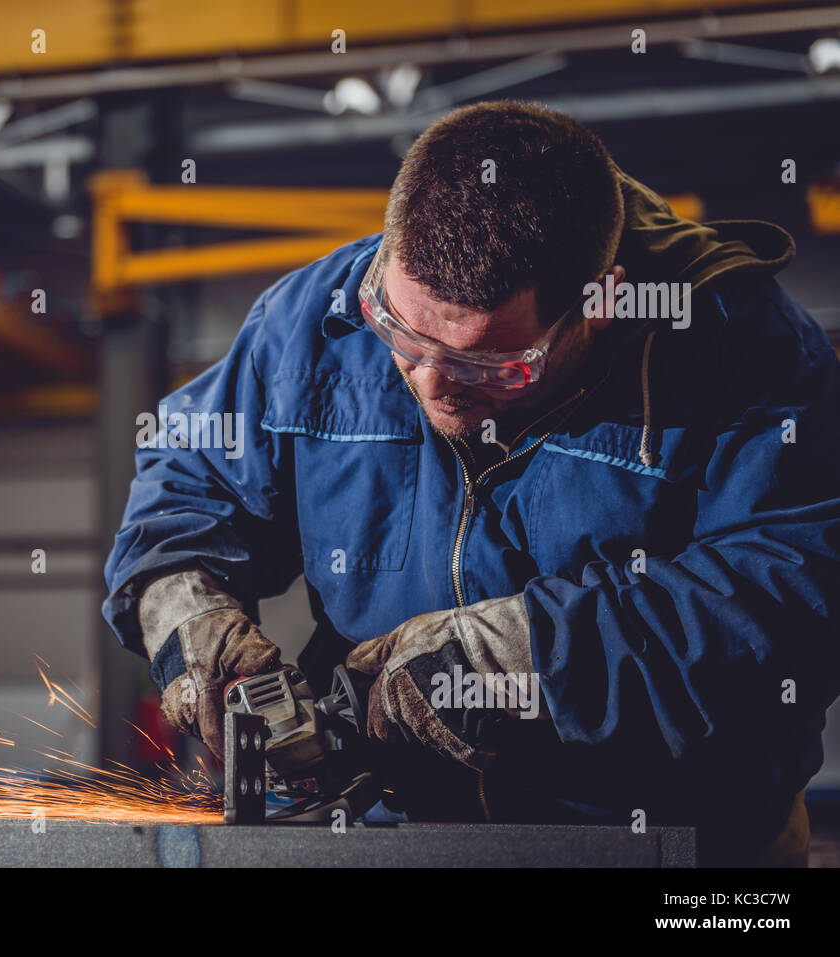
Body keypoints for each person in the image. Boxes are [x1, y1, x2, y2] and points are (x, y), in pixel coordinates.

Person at [103, 100, 840, 865]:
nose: (430, 384)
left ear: (601, 305)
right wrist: (191, 619)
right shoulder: (308, 319)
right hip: (402, 837)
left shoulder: (738, 350)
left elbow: (795, 600)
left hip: (667, 847)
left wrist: (517, 660)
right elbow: (188, 476)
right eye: (399, 332)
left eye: (488, 366)